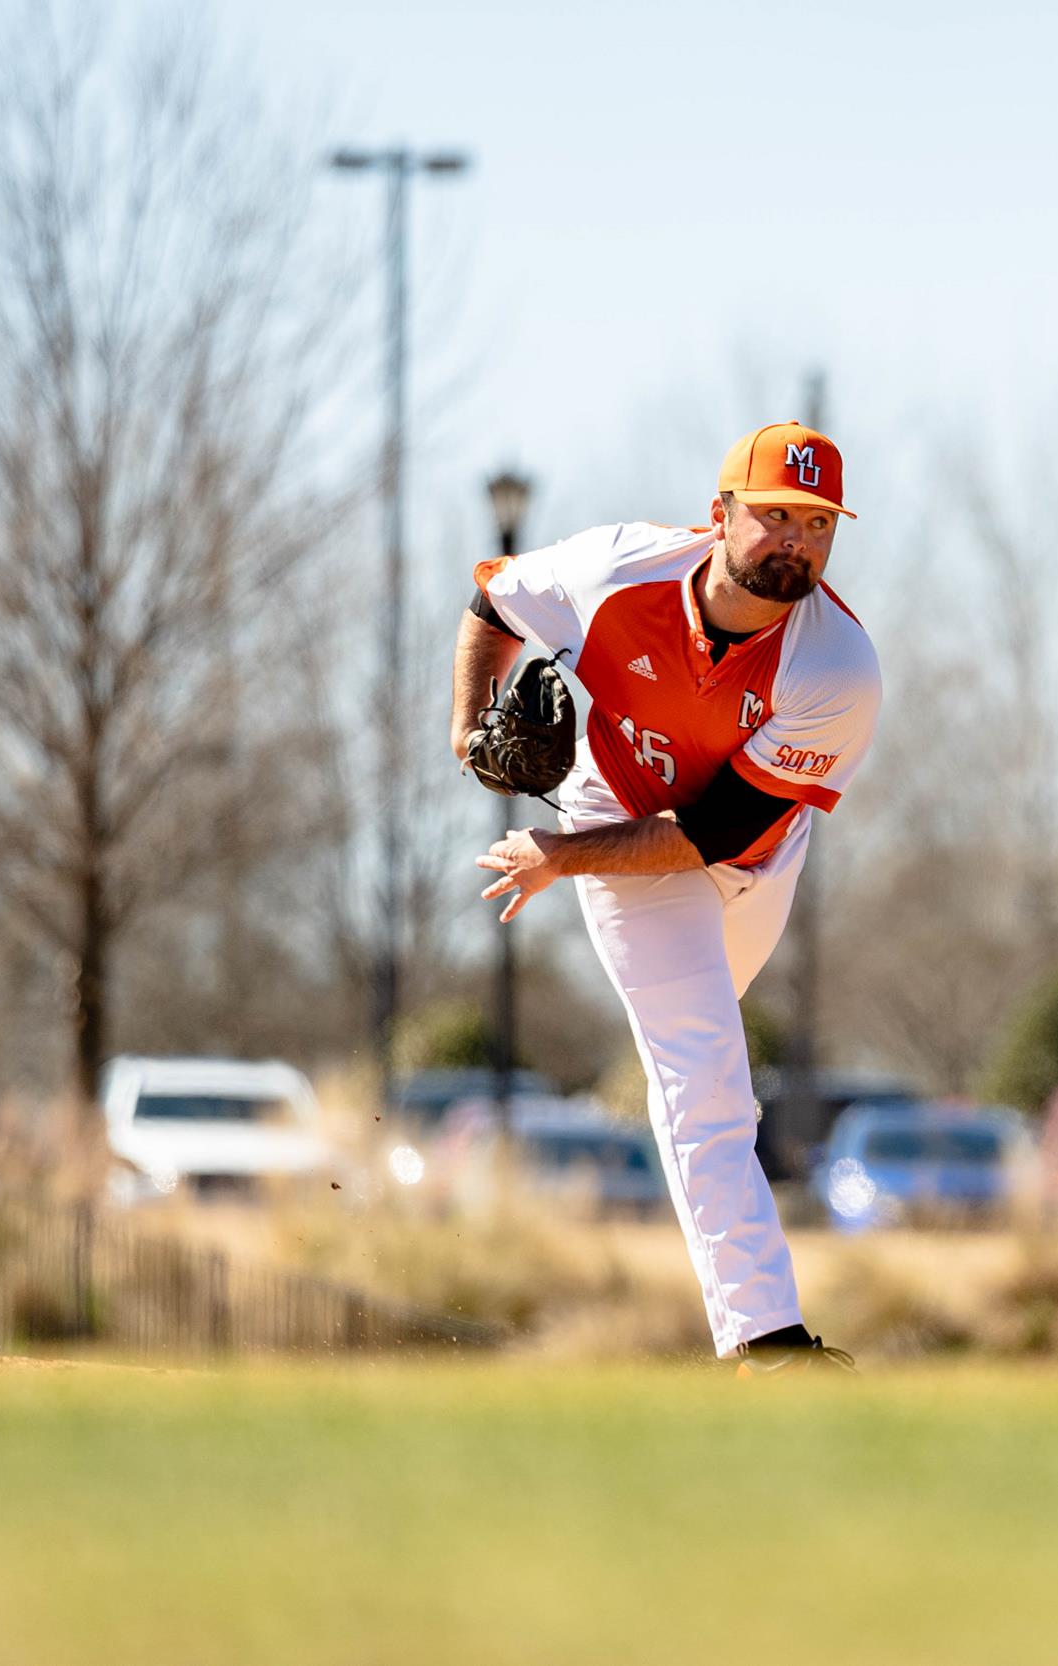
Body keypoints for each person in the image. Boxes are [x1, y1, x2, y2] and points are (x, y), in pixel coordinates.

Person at [452, 422, 880, 1372]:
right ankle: (767, 1340)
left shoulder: (837, 669)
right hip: (621, 812)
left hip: (751, 860)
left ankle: (691, 1127)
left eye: (817, 523)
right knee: (706, 1077)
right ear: (720, 513)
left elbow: (715, 835)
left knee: (692, 1067)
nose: (796, 540)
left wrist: (559, 857)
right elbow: (493, 599)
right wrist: (463, 734)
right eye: (774, 515)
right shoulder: (616, 571)